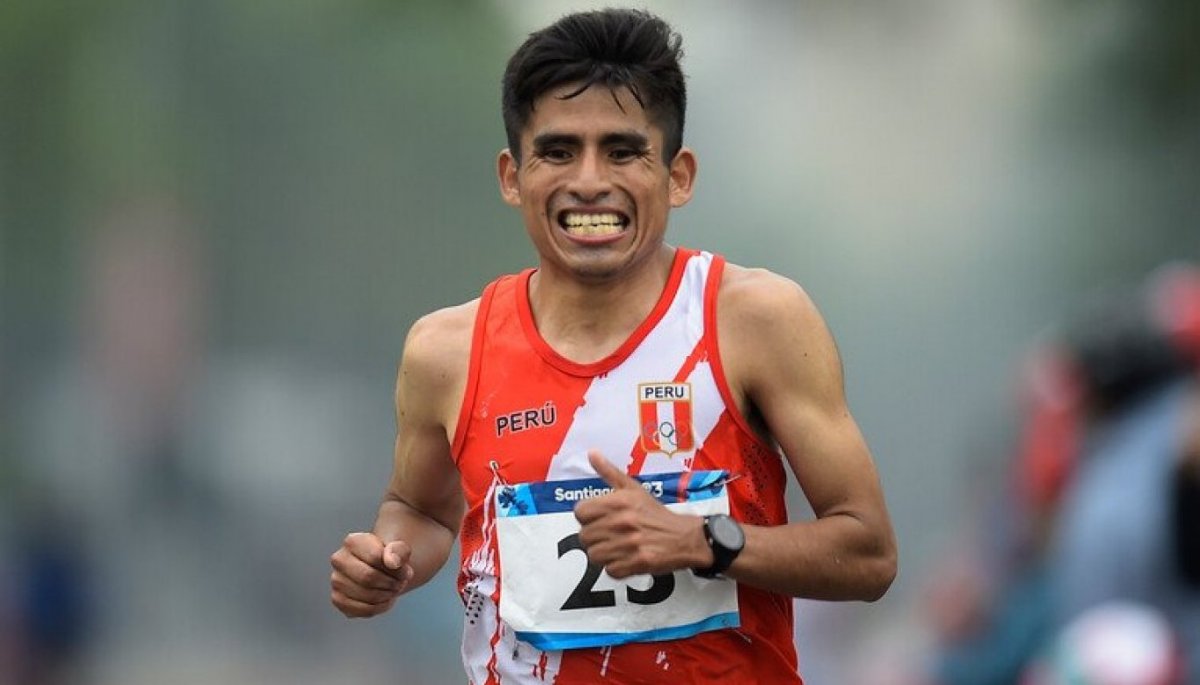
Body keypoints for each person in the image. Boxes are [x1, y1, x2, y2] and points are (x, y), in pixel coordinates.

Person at [329, 9, 897, 684]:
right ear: (512, 176)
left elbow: (869, 554)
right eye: (559, 151)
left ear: (677, 175)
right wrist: (389, 560)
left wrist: (699, 542)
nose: (591, 181)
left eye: (623, 151)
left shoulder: (752, 320)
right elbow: (420, 509)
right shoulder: (445, 350)